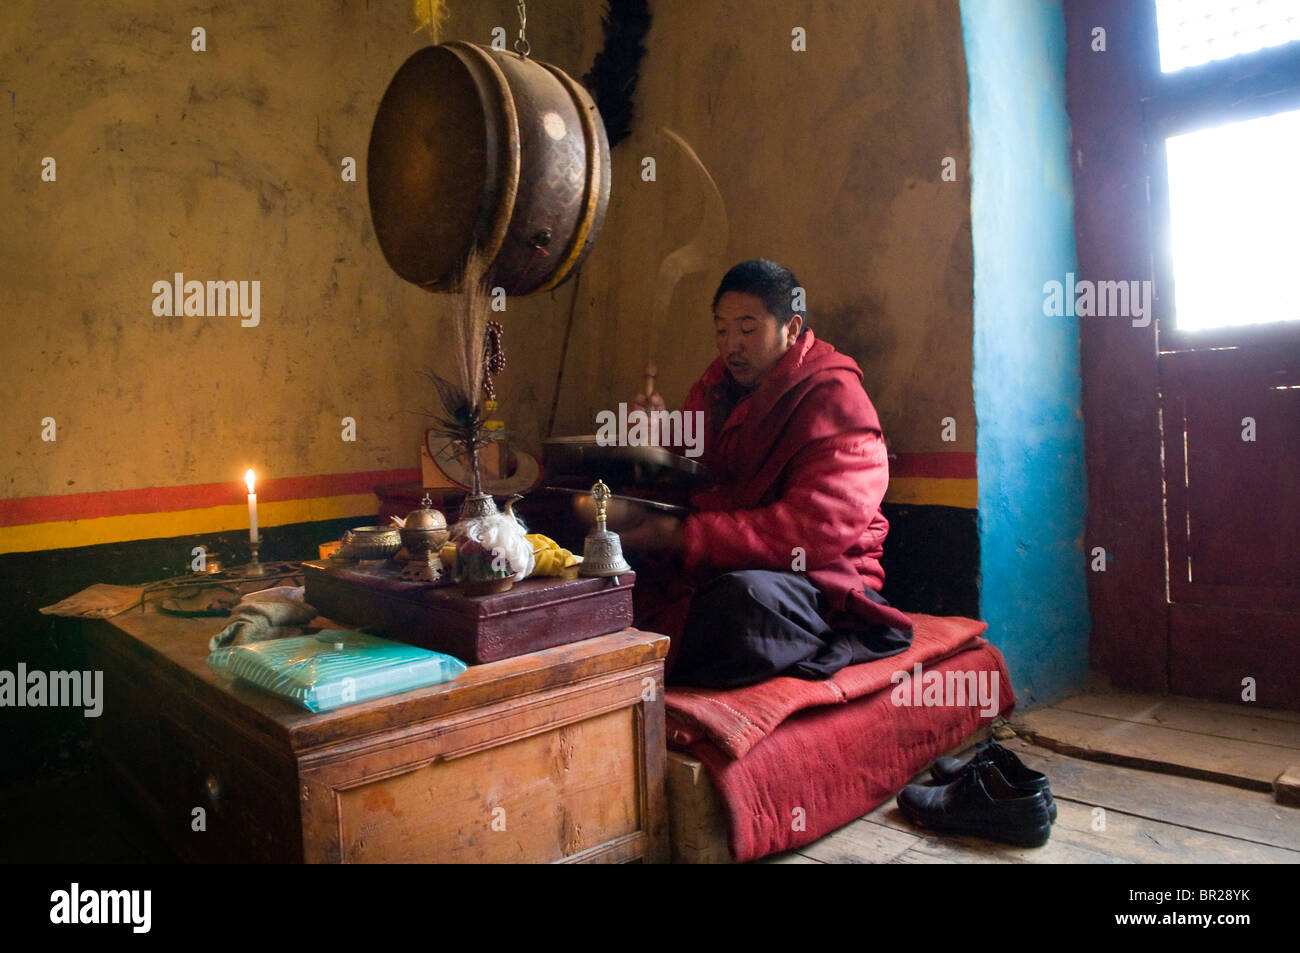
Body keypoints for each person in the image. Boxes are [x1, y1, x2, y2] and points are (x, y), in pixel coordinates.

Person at [620, 259, 913, 688]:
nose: (731, 345)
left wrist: (687, 536)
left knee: (743, 605)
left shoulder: (834, 397)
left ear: (791, 329)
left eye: (747, 328)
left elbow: (814, 528)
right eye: (721, 330)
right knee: (608, 568)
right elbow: (689, 475)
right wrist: (654, 442)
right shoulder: (715, 389)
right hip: (722, 565)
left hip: (818, 578)